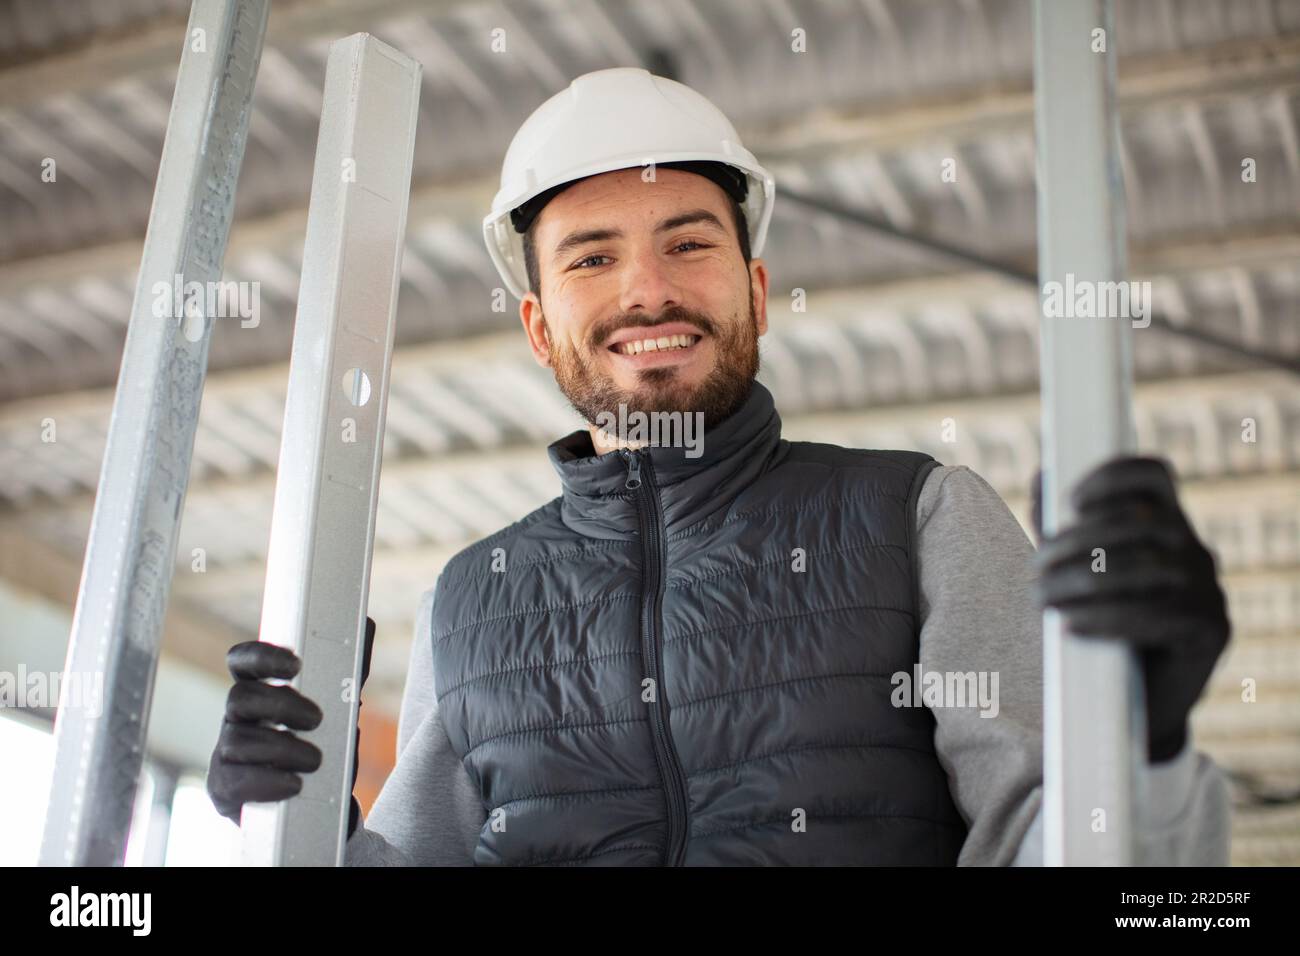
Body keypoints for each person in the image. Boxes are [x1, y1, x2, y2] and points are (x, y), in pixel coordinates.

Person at [208, 68, 1231, 866]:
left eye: (687, 243)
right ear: (536, 323)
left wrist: (1143, 748)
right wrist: (298, 825)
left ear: (753, 284)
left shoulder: (917, 515)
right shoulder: (471, 597)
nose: (648, 292)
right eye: (591, 257)